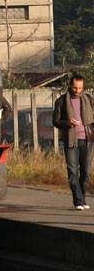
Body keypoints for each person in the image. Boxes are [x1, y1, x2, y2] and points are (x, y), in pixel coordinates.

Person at [52, 72, 94, 210]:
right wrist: (68, 123)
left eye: (80, 88)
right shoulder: (62, 101)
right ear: (70, 85)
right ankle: (78, 201)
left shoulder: (89, 99)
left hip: (87, 139)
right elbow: (56, 121)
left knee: (86, 172)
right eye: (75, 88)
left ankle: (81, 197)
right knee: (72, 171)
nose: (77, 91)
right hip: (71, 140)